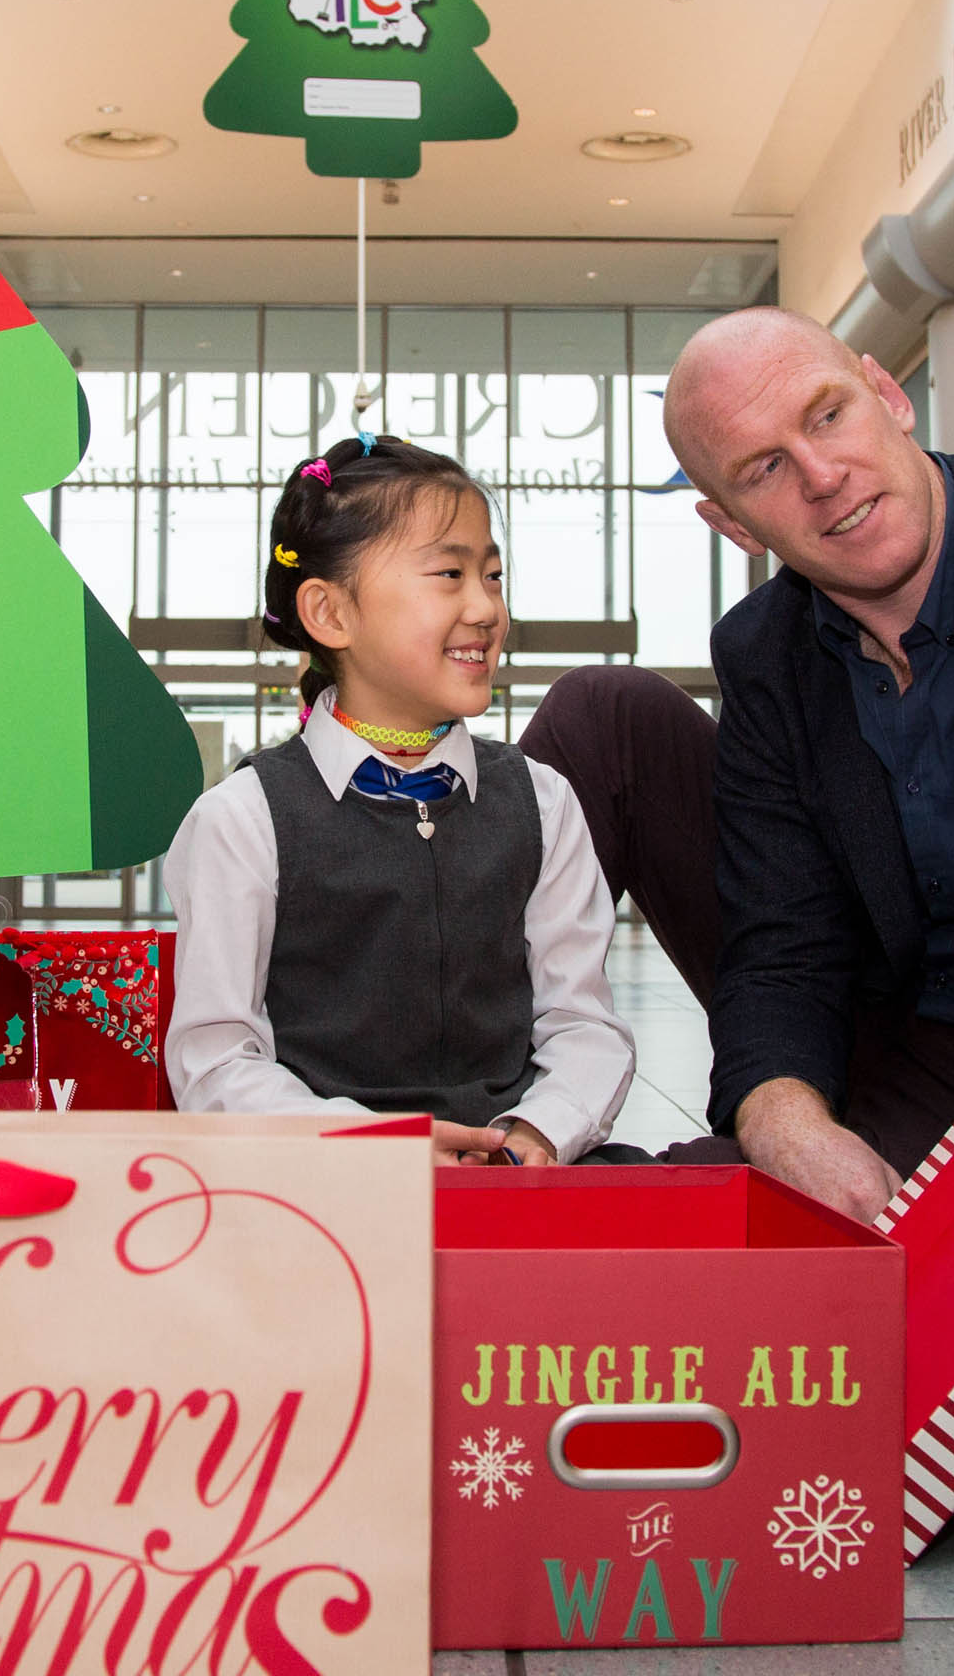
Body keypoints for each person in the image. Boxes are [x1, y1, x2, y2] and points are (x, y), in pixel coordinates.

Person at [524, 309, 954, 1223]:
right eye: (764, 469)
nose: (821, 475)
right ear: (732, 525)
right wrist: (784, 1118)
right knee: (601, 710)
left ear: (889, 395)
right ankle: (453, 1127)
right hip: (908, 1038)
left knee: (773, 1252)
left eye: (828, 415)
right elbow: (781, 936)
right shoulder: (765, 651)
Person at [162, 433, 636, 1167]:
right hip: (326, 1190)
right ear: (330, 612)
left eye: (494, 575)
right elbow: (216, 1061)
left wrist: (536, 1132)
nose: (486, 608)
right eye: (449, 572)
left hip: (517, 1177)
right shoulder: (244, 820)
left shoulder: (541, 800)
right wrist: (375, 1146)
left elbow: (583, 1023)